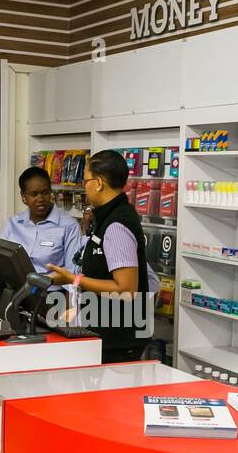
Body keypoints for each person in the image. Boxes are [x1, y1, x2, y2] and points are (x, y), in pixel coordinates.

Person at [47, 150, 159, 364]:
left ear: (98, 183)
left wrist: (73, 279)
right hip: (105, 333)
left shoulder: (117, 225)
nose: (84, 187)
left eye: (86, 181)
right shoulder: (108, 218)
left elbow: (126, 289)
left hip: (118, 341)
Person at [0, 166, 84, 285]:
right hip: (15, 292)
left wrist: (67, 302)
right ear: (23, 196)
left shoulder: (69, 225)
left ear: (51, 192)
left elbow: (72, 273)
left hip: (50, 294)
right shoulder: (13, 224)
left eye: (45, 193)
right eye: (33, 194)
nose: (40, 199)